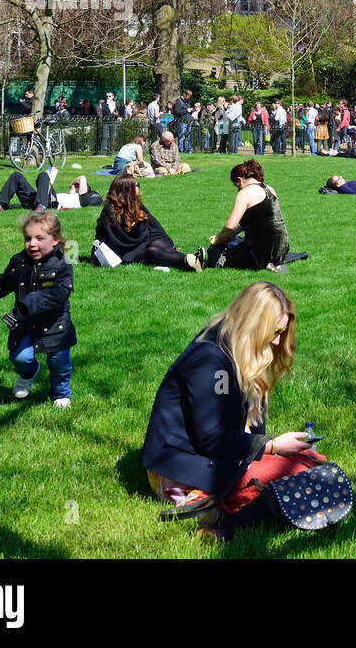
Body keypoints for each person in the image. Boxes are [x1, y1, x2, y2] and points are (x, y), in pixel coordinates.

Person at [142, 282, 328, 541]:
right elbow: (209, 437)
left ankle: (220, 512)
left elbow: (251, 431)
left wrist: (268, 448)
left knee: (311, 462)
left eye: (282, 331)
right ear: (254, 323)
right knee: (293, 475)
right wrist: (272, 447)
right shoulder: (210, 358)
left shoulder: (244, 348)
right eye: (274, 331)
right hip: (181, 463)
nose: (277, 340)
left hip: (216, 455)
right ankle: (218, 518)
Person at [0, 211, 76, 406]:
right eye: (27, 238)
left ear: (55, 240)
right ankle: (28, 373)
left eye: (39, 238)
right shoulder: (19, 262)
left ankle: (60, 394)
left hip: (55, 325)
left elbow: (60, 294)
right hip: (24, 322)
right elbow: (2, 284)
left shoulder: (63, 264)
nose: (31, 244)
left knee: (59, 364)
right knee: (19, 358)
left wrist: (30, 302)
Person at [202, 160, 298, 273]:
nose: (237, 188)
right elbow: (261, 220)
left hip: (258, 251)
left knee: (215, 253)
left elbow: (230, 226)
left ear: (239, 180)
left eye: (236, 185)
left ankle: (264, 264)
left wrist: (219, 239)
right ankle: (273, 262)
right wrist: (234, 234)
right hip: (281, 248)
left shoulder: (245, 193)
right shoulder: (270, 189)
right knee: (236, 240)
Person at [94, 176, 203, 272]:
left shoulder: (136, 204)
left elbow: (153, 223)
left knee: (162, 244)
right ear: (127, 189)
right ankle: (185, 262)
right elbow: (107, 240)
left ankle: (191, 259)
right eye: (137, 185)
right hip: (130, 249)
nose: (139, 187)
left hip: (147, 237)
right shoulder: (108, 213)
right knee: (153, 252)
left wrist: (168, 241)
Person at [0, 168, 103, 212]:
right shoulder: (74, 196)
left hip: (51, 203)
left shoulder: (86, 198)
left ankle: (41, 207)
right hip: (41, 198)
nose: (74, 186)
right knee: (16, 176)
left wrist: (74, 182)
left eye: (78, 186)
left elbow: (82, 177)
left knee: (43, 176)